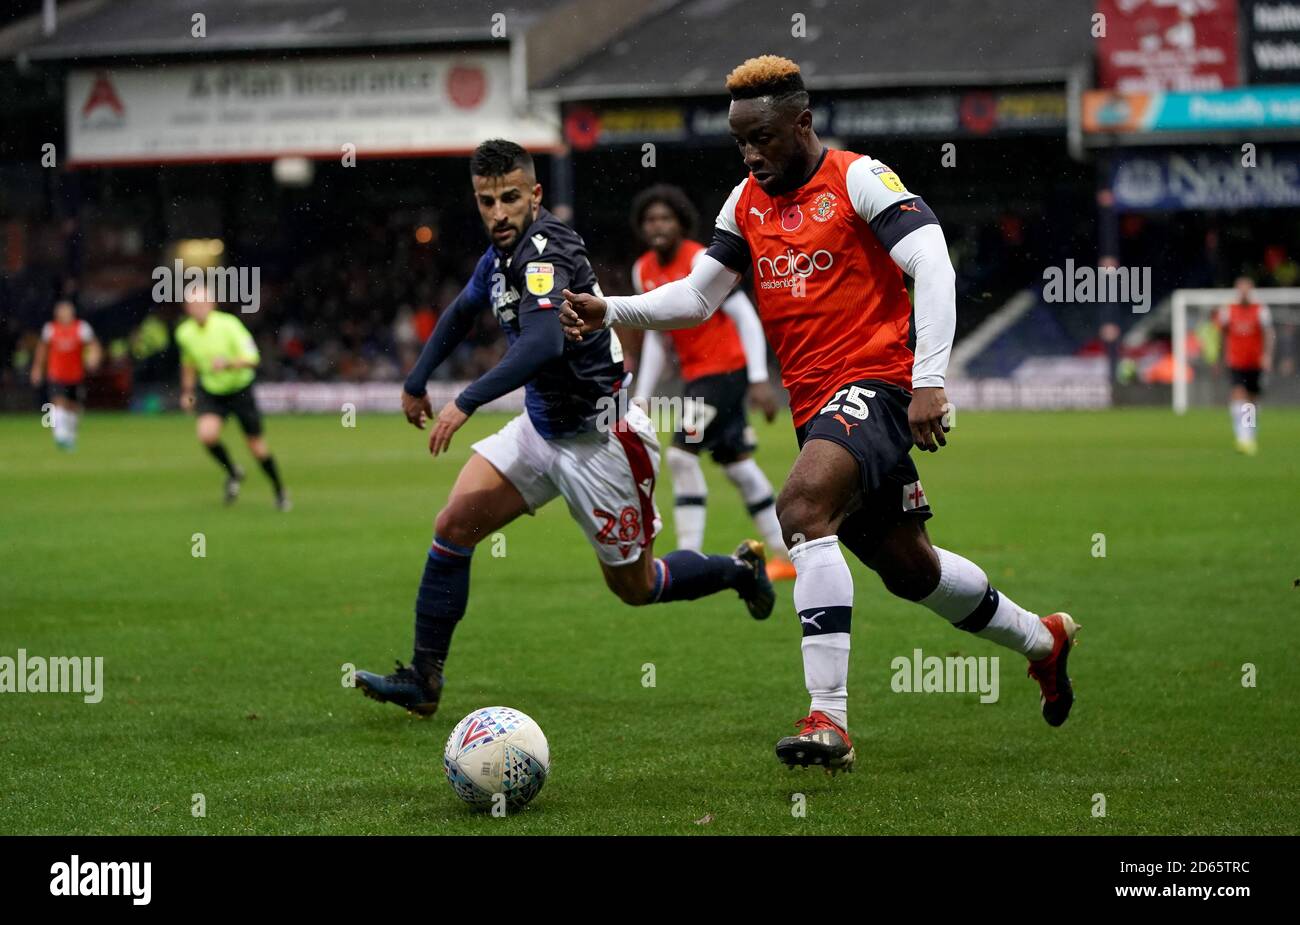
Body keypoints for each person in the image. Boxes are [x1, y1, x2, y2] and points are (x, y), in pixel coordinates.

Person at [561, 56, 1079, 773]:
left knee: (800, 507)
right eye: (741, 141)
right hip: (818, 405)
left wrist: (928, 379)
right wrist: (610, 308)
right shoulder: (744, 202)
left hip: (880, 383)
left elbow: (933, 264)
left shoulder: (858, 178)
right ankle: (1046, 641)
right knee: (911, 570)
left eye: (764, 137)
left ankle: (827, 718)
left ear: (802, 123)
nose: (752, 154)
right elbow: (698, 296)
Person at [353, 140, 774, 718]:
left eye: (509, 198)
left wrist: (465, 400)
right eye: (485, 201)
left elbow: (544, 342)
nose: (498, 213)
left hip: (602, 441)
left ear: (535, 195)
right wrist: (416, 379)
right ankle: (424, 680)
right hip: (540, 430)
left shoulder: (548, 251)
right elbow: (462, 309)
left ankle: (738, 568)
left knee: (637, 587)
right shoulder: (499, 254)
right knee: (452, 528)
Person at [629, 184, 795, 580]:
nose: (658, 226)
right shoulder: (643, 270)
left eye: (666, 218)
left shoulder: (702, 259)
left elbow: (744, 316)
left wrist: (758, 379)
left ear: (681, 223)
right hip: (698, 378)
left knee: (681, 455)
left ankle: (688, 558)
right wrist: (643, 397)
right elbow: (657, 334)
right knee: (738, 466)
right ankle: (787, 556)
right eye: (651, 219)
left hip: (725, 373)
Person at [175, 294, 289, 509]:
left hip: (240, 390)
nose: (197, 308)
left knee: (256, 446)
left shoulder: (229, 325)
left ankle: (279, 490)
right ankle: (233, 471)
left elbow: (252, 358)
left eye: (201, 303)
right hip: (211, 390)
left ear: (211, 304)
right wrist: (187, 392)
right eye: (192, 304)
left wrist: (228, 363)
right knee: (207, 435)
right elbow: (188, 363)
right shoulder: (184, 333)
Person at [30, 299, 101, 450]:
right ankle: (60, 435)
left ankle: (69, 436)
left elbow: (93, 345)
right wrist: (37, 368)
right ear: (57, 314)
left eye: (68, 311)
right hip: (56, 374)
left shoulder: (82, 328)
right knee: (58, 402)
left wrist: (93, 357)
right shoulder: (50, 329)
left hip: (76, 375)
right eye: (62, 312)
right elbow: (42, 350)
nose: (65, 314)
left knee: (74, 407)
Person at [1215, 276, 1274, 455]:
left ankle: (1249, 433)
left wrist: (1267, 355)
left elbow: (1268, 333)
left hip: (1255, 361)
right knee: (1239, 395)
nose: (1244, 293)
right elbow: (1221, 334)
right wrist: (1219, 357)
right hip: (1236, 360)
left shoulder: (1260, 310)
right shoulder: (1228, 310)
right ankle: (1243, 436)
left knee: (1252, 400)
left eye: (1247, 289)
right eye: (1241, 289)